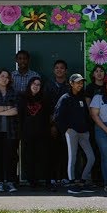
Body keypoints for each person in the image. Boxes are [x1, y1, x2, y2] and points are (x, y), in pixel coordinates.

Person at [54, 73, 96, 194]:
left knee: (91, 158)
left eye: (81, 82)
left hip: (84, 132)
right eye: (77, 82)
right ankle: (72, 184)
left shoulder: (81, 97)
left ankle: (82, 182)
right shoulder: (65, 98)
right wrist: (66, 130)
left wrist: (87, 129)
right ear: (71, 83)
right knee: (72, 158)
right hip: (71, 132)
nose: (80, 84)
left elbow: (86, 115)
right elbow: (57, 116)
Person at [18, 76, 53, 190]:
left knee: (45, 157)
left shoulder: (45, 98)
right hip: (27, 133)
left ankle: (48, 181)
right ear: (29, 85)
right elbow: (20, 116)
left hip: (43, 133)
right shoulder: (23, 98)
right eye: (33, 84)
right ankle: (32, 181)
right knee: (29, 158)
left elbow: (50, 115)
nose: (36, 86)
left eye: (38, 84)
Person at [44, 59, 73, 188]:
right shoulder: (48, 85)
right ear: (53, 70)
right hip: (52, 123)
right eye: (57, 68)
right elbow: (46, 105)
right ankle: (53, 178)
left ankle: (65, 177)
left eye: (62, 68)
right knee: (52, 152)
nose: (59, 70)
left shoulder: (70, 85)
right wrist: (52, 124)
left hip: (67, 124)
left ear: (66, 71)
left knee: (67, 151)